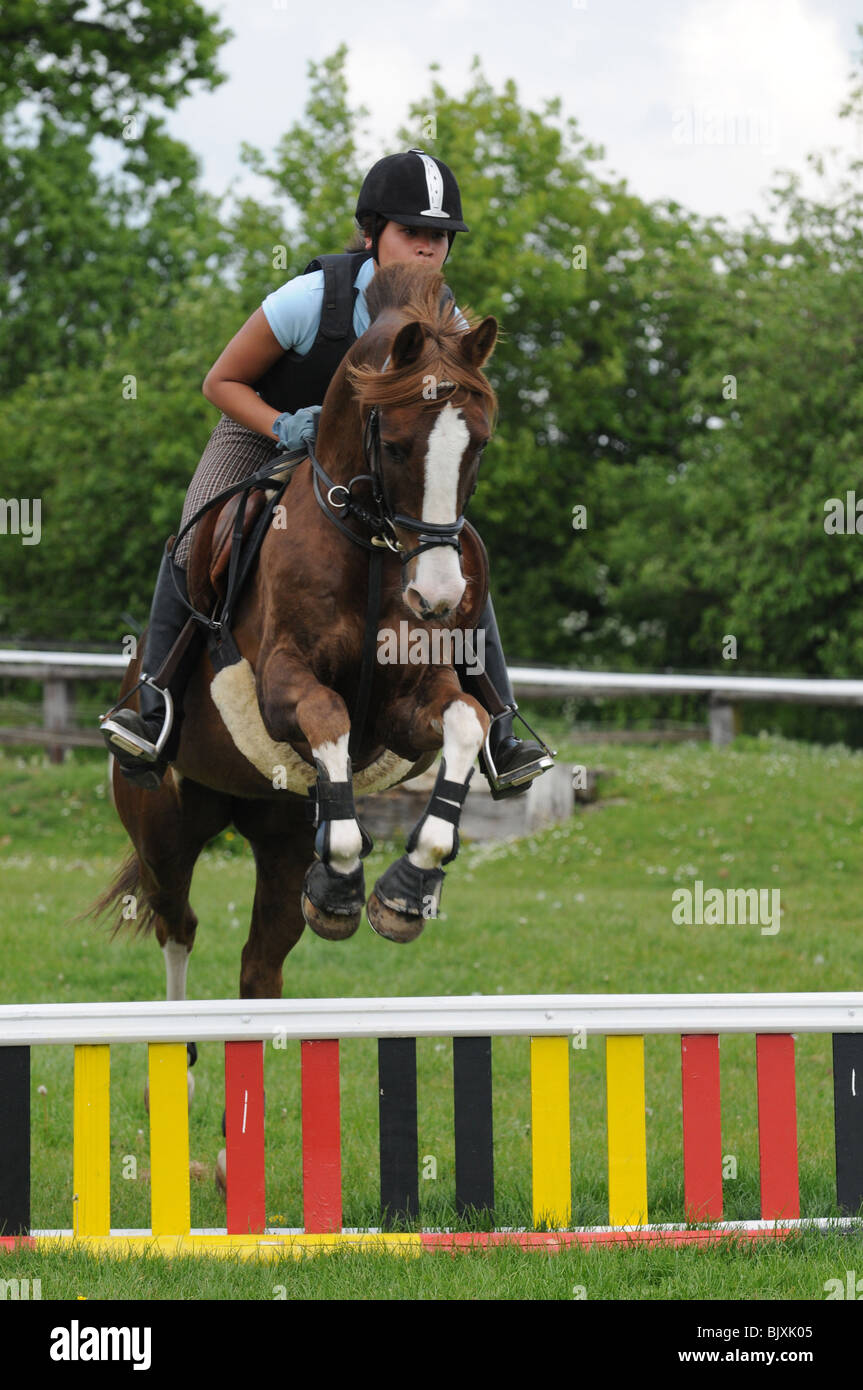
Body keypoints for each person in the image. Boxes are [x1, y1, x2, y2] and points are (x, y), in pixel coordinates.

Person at [101, 149, 553, 798]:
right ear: (372, 233)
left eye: (439, 237)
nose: (427, 249)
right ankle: (153, 707)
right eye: (412, 232)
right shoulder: (313, 299)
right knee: (195, 534)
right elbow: (220, 382)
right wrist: (285, 425)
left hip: (369, 461)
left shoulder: (447, 321)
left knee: (456, 550)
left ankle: (502, 729)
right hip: (263, 431)